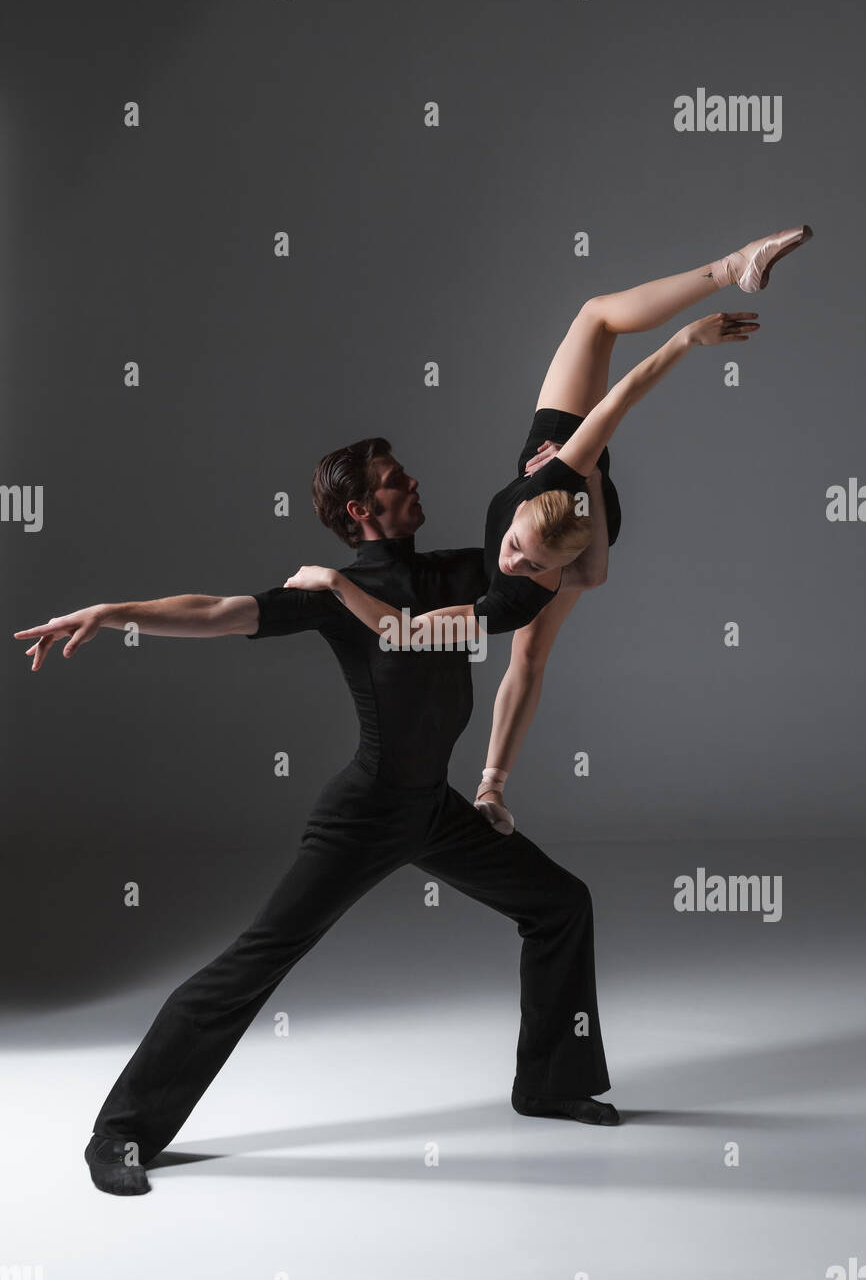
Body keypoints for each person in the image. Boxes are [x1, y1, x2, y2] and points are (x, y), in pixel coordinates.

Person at [14, 441, 621, 1197]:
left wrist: (571, 477)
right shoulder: (336, 595)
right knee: (254, 961)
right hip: (365, 814)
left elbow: (568, 566)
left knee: (560, 904)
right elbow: (217, 611)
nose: (415, 482)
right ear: (362, 511)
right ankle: (123, 1130)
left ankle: (550, 1086)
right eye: (398, 481)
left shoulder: (460, 570)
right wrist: (112, 614)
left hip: (431, 807)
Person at [283, 225, 812, 833]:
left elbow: (400, 631)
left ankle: (491, 791)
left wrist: (333, 580)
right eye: (517, 550)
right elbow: (616, 410)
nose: (508, 562)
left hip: (571, 484)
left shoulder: (526, 548)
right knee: (593, 320)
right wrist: (684, 342)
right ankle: (733, 266)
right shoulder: (536, 527)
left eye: (525, 562)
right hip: (570, 483)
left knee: (529, 653)